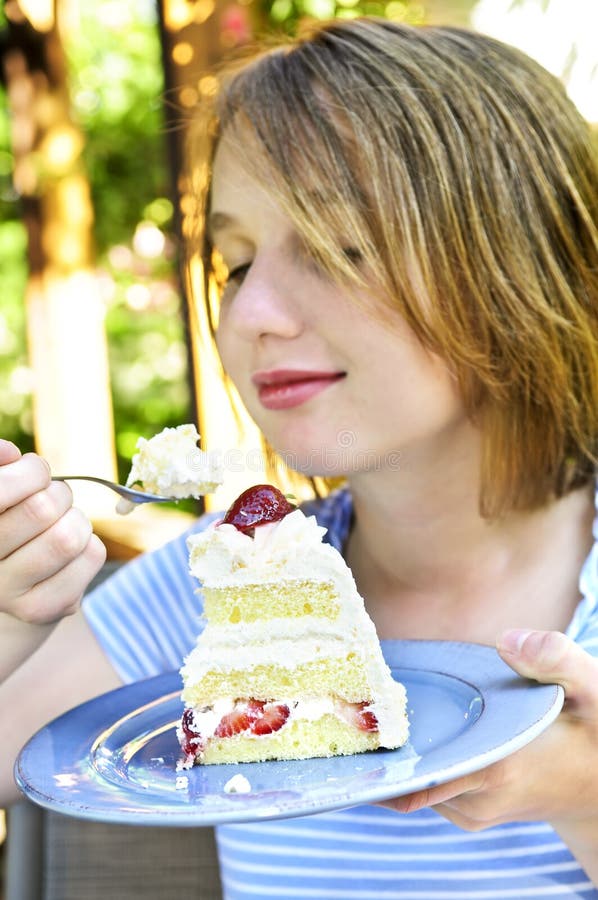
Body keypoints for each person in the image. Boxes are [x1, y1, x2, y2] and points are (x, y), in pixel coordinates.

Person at [2, 16, 598, 898]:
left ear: (516, 255)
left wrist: (586, 798)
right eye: (235, 265)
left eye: (334, 247)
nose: (252, 319)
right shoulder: (231, 583)